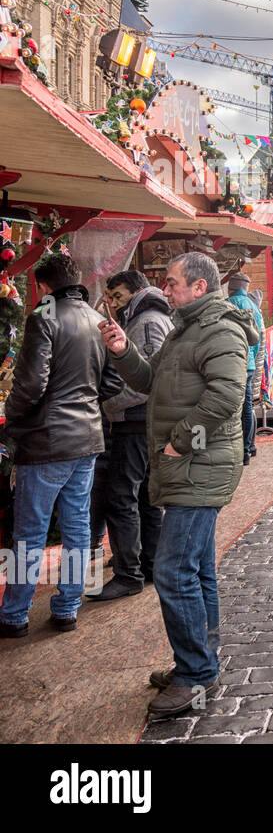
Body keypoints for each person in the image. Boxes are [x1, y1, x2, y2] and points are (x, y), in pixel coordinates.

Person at [99, 252, 256, 719]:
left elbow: (228, 396)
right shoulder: (184, 327)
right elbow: (150, 381)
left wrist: (182, 442)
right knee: (197, 568)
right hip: (190, 465)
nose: (164, 289)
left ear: (199, 288)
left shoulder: (220, 329)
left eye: (170, 282)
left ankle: (193, 673)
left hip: (199, 465)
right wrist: (123, 351)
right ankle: (201, 662)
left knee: (171, 571)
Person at [0, 254, 121, 639]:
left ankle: (15, 614)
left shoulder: (44, 316)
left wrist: (11, 416)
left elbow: (32, 383)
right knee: (78, 526)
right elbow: (113, 383)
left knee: (30, 532)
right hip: (86, 437)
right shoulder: (95, 317)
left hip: (48, 438)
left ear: (45, 286)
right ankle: (67, 607)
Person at [90, 269, 172, 600]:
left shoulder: (147, 320)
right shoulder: (145, 316)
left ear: (136, 291)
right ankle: (150, 563)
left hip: (137, 420)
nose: (111, 303)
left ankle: (129, 572)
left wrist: (108, 400)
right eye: (109, 297)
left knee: (121, 495)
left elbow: (148, 379)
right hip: (142, 419)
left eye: (117, 296)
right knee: (144, 496)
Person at [225, 271, 264, 465]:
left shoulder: (230, 304)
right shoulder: (254, 306)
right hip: (248, 362)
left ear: (231, 288)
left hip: (235, 362)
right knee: (248, 406)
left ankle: (242, 449)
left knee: (236, 407)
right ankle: (248, 447)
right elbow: (258, 340)